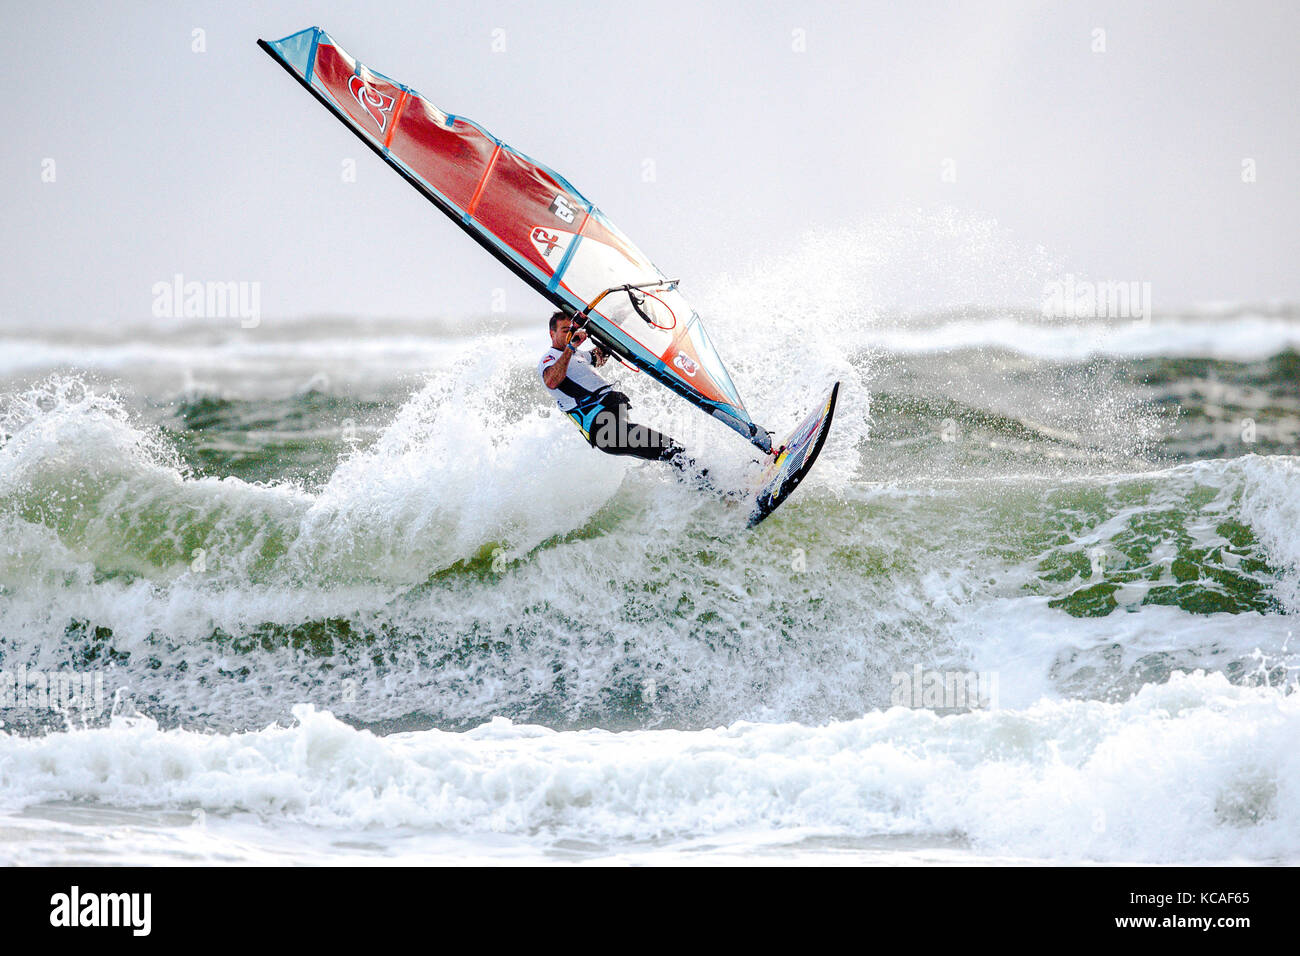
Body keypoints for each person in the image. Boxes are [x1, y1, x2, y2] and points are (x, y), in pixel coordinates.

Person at [539, 310, 688, 466]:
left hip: (615, 421)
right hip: (605, 429)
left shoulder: (579, 355)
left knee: (671, 453)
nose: (570, 334)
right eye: (565, 331)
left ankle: (699, 484)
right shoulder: (549, 359)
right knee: (670, 450)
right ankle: (704, 480)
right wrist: (571, 346)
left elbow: (600, 355)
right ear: (552, 333)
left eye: (573, 330)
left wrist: (616, 320)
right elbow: (551, 381)